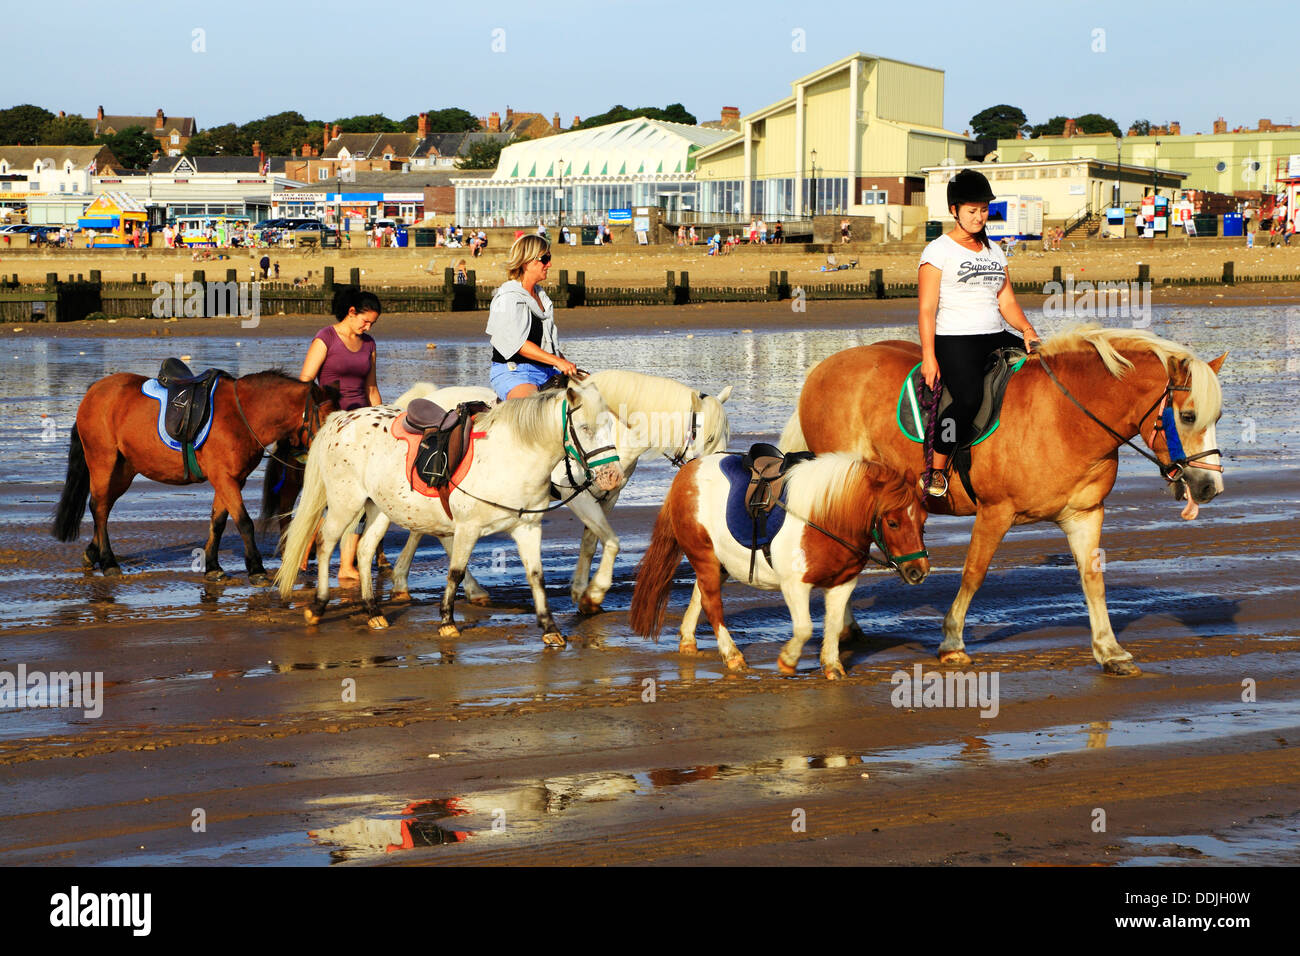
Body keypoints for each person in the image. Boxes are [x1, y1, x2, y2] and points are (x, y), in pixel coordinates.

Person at [918, 167, 1040, 498]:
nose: (979, 217)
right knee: (968, 398)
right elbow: (927, 309)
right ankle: (938, 467)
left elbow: (1007, 302)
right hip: (955, 339)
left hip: (994, 334)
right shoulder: (938, 251)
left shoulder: (994, 251)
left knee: (1043, 369)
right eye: (972, 210)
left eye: (984, 210)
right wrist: (929, 357)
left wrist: (1028, 330)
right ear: (954, 211)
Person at [298, 287, 384, 582]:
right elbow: (305, 383)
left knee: (361, 496)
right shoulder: (326, 338)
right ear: (351, 312)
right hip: (330, 425)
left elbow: (371, 389)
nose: (368, 327)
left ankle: (346, 565)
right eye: (365, 321)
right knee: (324, 494)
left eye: (372, 323)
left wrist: (384, 421)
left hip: (361, 426)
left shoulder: (369, 344)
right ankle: (304, 547)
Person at [486, 234, 575, 400]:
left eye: (549, 257)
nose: (549, 264)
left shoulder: (541, 296)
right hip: (514, 372)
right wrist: (557, 361)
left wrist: (566, 364)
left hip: (546, 371)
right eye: (545, 258)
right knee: (530, 409)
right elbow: (518, 344)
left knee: (591, 395)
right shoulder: (509, 297)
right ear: (527, 262)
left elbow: (546, 345)